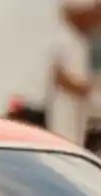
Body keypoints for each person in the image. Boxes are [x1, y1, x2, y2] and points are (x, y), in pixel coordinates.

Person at [47, 0, 101, 147]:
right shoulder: (62, 39)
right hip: (64, 115)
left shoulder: (81, 41)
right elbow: (59, 76)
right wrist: (84, 89)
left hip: (79, 115)